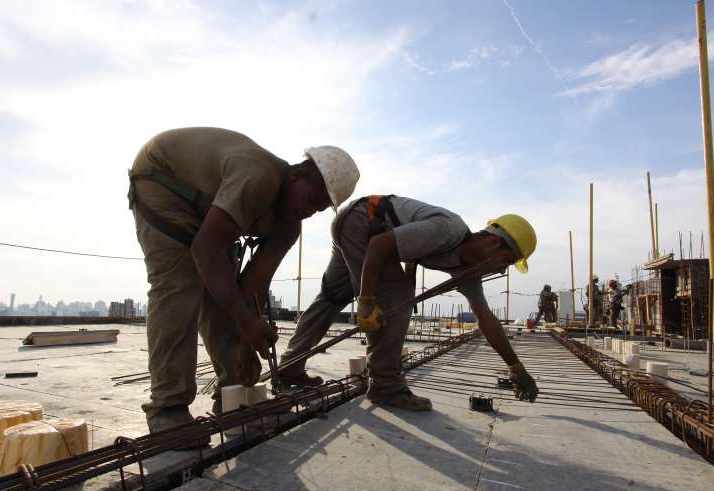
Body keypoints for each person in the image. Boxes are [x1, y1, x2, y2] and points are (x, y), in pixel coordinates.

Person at [128, 127, 360, 432]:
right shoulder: (258, 177)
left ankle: (233, 394)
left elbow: (253, 287)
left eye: (318, 209)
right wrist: (245, 321)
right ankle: (167, 408)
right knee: (181, 284)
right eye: (310, 199)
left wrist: (249, 341)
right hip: (162, 178)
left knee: (224, 291)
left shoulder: (289, 226)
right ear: (297, 176)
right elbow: (205, 248)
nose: (308, 211)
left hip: (206, 207)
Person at [278, 195, 539, 410]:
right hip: (364, 223)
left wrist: (515, 366)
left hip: (353, 221)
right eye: (505, 262)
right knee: (398, 298)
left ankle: (290, 367)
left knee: (332, 296)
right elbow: (380, 244)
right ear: (494, 243)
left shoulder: (466, 272)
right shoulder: (449, 230)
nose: (501, 270)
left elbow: (486, 319)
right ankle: (385, 385)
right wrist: (367, 301)